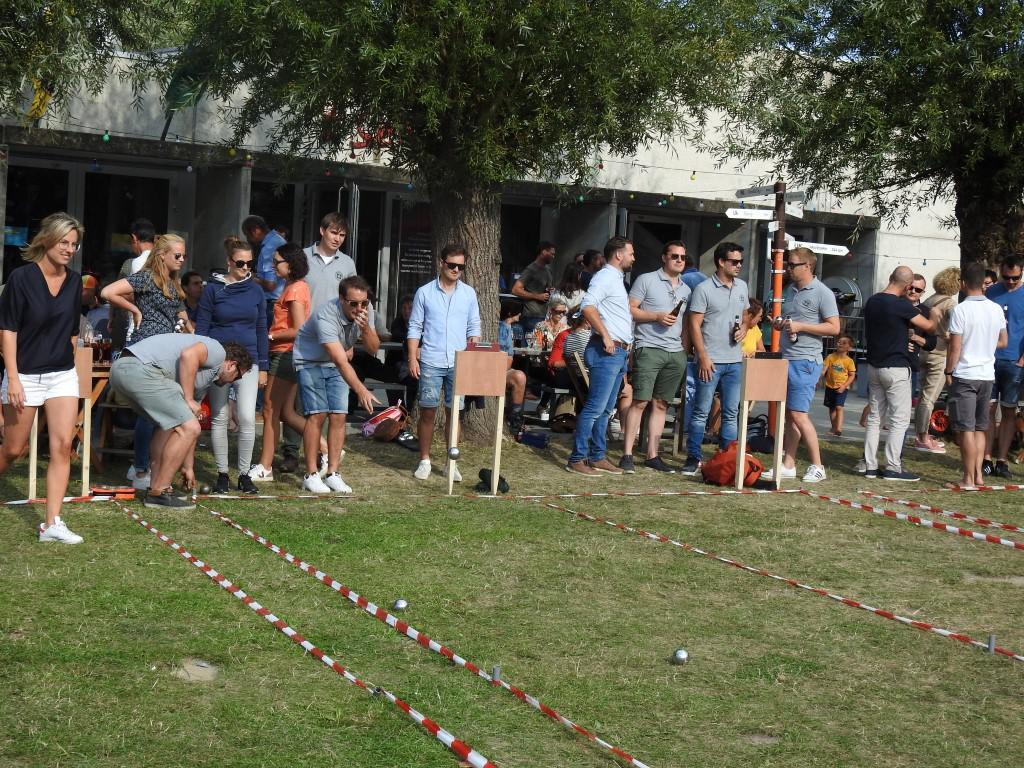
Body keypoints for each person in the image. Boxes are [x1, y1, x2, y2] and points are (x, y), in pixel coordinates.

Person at [0, 213, 86, 543]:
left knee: (63, 445)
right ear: (47, 240)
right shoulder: (21, 278)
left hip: (61, 374)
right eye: (64, 242)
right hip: (23, 373)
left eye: (74, 244)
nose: (69, 249)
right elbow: (7, 329)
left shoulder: (76, 280)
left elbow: (73, 332)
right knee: (13, 448)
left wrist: (72, 368)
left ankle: (52, 523)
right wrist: (13, 378)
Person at [110, 334, 250, 509]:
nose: (233, 382)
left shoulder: (202, 380)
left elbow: (186, 422)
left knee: (167, 428)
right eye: (237, 377)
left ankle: (156, 487)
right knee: (190, 428)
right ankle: (159, 492)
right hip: (140, 370)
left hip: (120, 371)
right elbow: (188, 355)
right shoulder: (218, 351)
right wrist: (189, 399)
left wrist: (188, 467)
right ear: (232, 365)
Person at [102, 234, 191, 490]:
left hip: (168, 352)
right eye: (177, 255)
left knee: (162, 417)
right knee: (149, 415)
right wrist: (135, 310)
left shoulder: (173, 284)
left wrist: (190, 330)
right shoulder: (146, 277)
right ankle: (140, 469)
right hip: (147, 351)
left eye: (184, 255)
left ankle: (155, 469)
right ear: (162, 254)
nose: (182, 259)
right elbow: (108, 292)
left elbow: (181, 313)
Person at [292, 275, 380, 493]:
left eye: (364, 303)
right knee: (317, 415)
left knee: (339, 415)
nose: (359, 308)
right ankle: (311, 474)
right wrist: (360, 389)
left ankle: (333, 473)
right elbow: (340, 360)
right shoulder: (326, 315)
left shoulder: (365, 313)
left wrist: (367, 329)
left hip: (335, 363)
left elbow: (373, 348)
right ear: (342, 299)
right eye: (353, 303)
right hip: (310, 360)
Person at [196, 237, 269, 494]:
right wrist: (203, 361)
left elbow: (261, 329)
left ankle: (245, 474)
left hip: (249, 361)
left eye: (250, 263)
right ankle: (222, 474)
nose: (246, 268)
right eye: (240, 263)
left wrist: (264, 366)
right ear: (229, 262)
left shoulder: (256, 291)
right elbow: (202, 328)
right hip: (218, 359)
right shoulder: (213, 290)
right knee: (220, 416)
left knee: (248, 417)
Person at [761, 247, 840, 483]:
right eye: (788, 264)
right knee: (789, 416)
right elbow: (793, 321)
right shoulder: (791, 289)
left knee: (798, 414)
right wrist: (781, 324)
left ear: (807, 266)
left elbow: (834, 328)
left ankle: (818, 466)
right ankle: (788, 463)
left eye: (793, 264)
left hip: (805, 361)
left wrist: (801, 327)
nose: (788, 268)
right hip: (789, 357)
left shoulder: (822, 292)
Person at [407, 244, 481, 481]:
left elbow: (474, 325)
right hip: (430, 359)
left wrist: (474, 340)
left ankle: (451, 462)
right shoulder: (424, 292)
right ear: (441, 262)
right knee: (428, 412)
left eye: (461, 266)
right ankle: (425, 460)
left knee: (455, 414)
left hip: (458, 361)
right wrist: (412, 357)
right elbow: (415, 327)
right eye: (452, 265)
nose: (456, 270)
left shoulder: (469, 293)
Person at [250, 243, 321, 483]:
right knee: (286, 412)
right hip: (287, 353)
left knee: (270, 409)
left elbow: (299, 329)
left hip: (286, 354)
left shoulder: (295, 290)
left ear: (290, 264)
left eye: (277, 260)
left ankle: (265, 466)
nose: (273, 264)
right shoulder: (293, 287)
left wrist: (270, 336)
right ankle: (326, 448)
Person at [857, 266, 936, 481]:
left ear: (891, 277)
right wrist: (936, 315)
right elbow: (928, 326)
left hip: (874, 366)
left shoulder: (873, 300)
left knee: (875, 417)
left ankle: (870, 466)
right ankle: (893, 467)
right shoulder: (901, 305)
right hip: (897, 368)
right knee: (899, 419)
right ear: (908, 285)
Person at [566, 236, 635, 476]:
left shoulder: (615, 279)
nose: (633, 258)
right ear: (618, 255)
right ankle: (577, 458)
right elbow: (587, 305)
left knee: (606, 409)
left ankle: (597, 456)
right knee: (595, 407)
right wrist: (605, 335)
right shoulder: (605, 277)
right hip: (607, 350)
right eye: (631, 253)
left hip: (618, 352)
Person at [620, 240, 690, 474]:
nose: (679, 260)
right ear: (664, 258)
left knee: (661, 404)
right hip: (648, 348)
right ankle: (627, 454)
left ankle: (653, 455)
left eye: (682, 257)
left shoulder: (686, 289)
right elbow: (630, 309)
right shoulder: (646, 280)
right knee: (640, 401)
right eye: (674, 256)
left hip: (675, 352)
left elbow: (686, 323)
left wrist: (684, 349)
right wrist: (656, 316)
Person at [682, 242, 749, 476]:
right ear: (721, 262)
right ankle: (693, 457)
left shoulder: (742, 286)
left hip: (735, 361)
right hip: (710, 360)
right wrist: (702, 356)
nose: (739, 265)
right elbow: (694, 324)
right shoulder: (704, 289)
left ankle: (727, 457)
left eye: (741, 261)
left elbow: (746, 316)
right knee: (701, 410)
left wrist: (745, 329)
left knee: (732, 412)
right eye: (734, 261)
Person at [945, 263, 1006, 489]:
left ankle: (968, 479)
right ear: (984, 283)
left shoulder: (961, 310)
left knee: (966, 429)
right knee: (981, 427)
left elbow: (955, 348)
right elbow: (1003, 341)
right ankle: (978, 475)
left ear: (963, 284)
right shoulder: (996, 308)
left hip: (966, 375)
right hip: (987, 374)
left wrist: (949, 370)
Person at [983, 254, 1024, 479]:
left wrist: (1022, 360)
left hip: (1014, 361)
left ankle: (1002, 460)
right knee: (988, 409)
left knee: (1009, 411)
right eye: (1007, 277)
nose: (1010, 282)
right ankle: (986, 458)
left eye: (1015, 278)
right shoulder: (991, 292)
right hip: (990, 359)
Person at [914, 267, 959, 453]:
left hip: (924, 350)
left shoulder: (929, 299)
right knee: (929, 398)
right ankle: (923, 438)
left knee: (923, 395)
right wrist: (949, 336)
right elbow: (956, 328)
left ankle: (920, 434)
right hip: (940, 353)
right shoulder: (950, 304)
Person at [109, 218, 156, 351]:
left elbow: (120, 293)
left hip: (135, 330)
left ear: (134, 238)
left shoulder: (131, 264)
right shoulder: (165, 262)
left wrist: (111, 316)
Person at [303, 212, 357, 312]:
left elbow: (352, 299)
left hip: (333, 326)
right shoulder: (303, 257)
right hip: (305, 325)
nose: (337, 239)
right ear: (322, 231)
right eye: (334, 233)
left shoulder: (348, 263)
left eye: (342, 235)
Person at [242, 214, 287, 322]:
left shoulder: (269, 248)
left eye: (247, 235)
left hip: (271, 305)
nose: (248, 240)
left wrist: (249, 277)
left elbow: (270, 285)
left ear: (255, 231)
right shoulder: (277, 240)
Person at [512, 241, 556, 334]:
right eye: (551, 254)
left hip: (546, 316)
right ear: (543, 252)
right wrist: (537, 296)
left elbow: (547, 289)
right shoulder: (531, 269)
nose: (553, 257)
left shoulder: (548, 270)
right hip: (532, 316)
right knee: (534, 346)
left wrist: (551, 290)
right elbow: (515, 290)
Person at [498, 301, 528, 435]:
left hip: (504, 368)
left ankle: (514, 418)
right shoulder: (500, 327)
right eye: (517, 311)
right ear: (510, 313)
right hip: (492, 369)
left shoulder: (511, 328)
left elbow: (509, 356)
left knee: (520, 376)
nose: (520, 314)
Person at [820, 335, 857, 438]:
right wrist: (818, 379)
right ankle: (833, 427)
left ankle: (838, 429)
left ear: (849, 348)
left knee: (839, 407)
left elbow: (852, 375)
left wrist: (844, 386)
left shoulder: (849, 361)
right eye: (839, 342)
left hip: (841, 388)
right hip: (829, 386)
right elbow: (824, 370)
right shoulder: (830, 357)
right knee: (832, 408)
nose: (840, 344)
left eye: (844, 343)